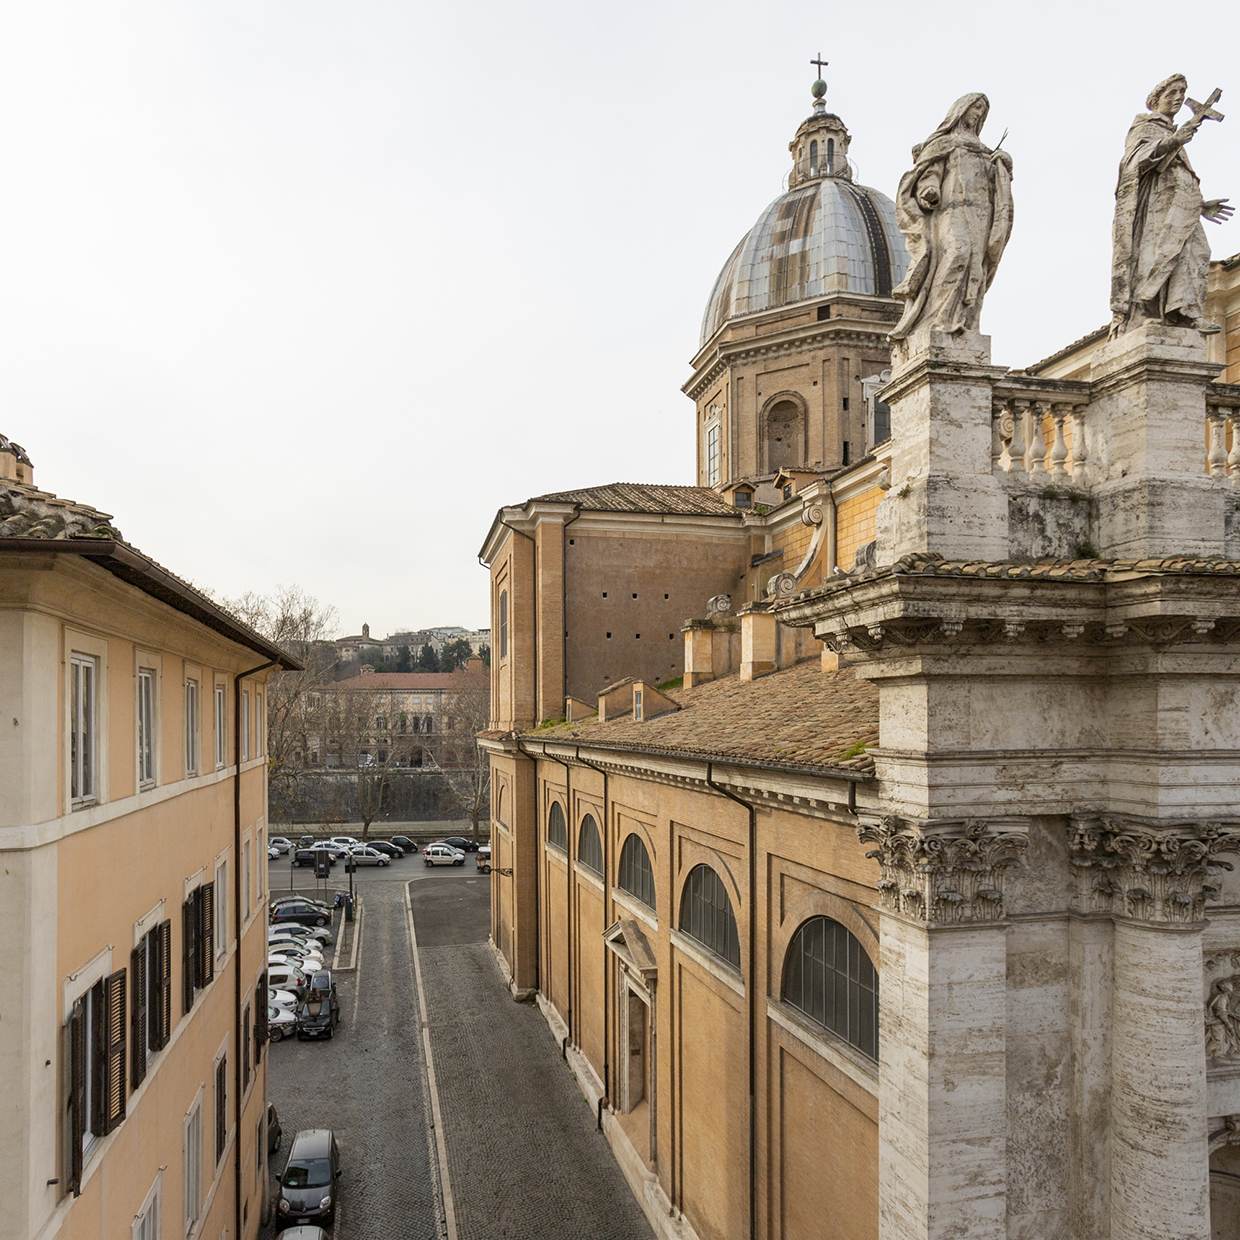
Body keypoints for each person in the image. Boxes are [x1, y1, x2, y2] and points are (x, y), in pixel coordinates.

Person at [1110, 74, 1232, 336]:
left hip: (1184, 207)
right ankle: (1149, 311)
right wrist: (1173, 141)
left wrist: (1201, 205)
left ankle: (1186, 311)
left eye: (1182, 93)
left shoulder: (1171, 131)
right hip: (1156, 209)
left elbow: (1176, 174)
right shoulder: (1144, 127)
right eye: (1172, 93)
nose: (1178, 98)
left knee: (1197, 252)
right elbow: (1134, 163)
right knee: (1158, 254)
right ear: (1156, 100)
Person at [888, 92, 1014, 342]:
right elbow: (930, 172)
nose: (978, 113)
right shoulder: (944, 144)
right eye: (975, 107)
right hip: (950, 210)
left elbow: (994, 183)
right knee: (958, 252)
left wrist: (1004, 166)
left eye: (982, 110)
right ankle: (936, 320)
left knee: (975, 265)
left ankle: (963, 321)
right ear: (961, 110)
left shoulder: (984, 151)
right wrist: (928, 190)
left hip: (979, 214)